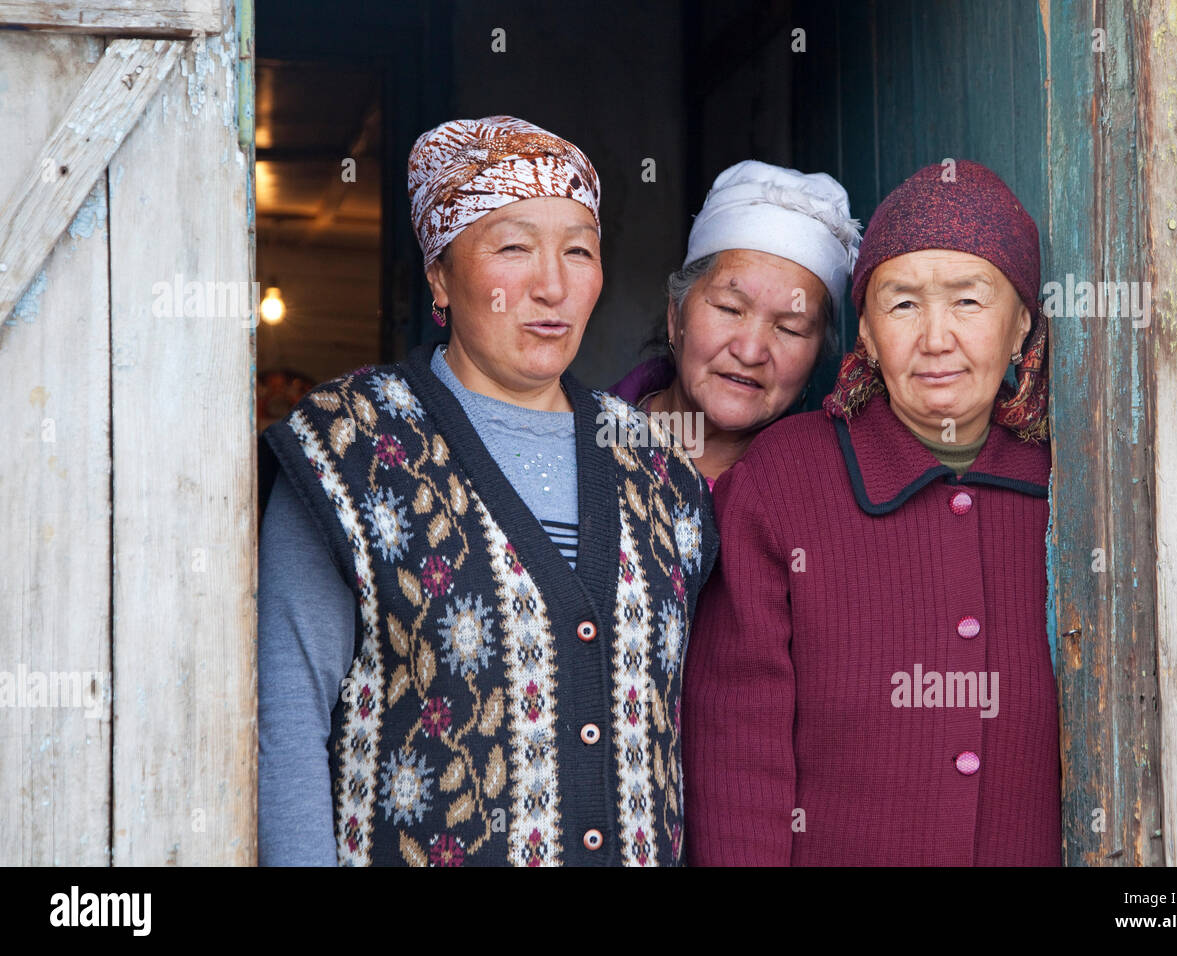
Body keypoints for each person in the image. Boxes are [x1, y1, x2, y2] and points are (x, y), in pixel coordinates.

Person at [257, 115, 718, 867]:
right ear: (440, 274)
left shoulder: (659, 472)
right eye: (512, 247)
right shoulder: (353, 450)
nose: (552, 285)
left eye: (579, 250)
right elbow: (286, 721)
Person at [682, 159, 1057, 865]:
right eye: (903, 303)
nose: (936, 338)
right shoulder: (783, 482)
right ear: (865, 333)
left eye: (969, 303)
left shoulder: (1074, 482)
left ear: (1021, 328)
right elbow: (736, 756)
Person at [611, 160, 860, 487]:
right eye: (730, 309)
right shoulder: (579, 438)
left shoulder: (818, 498)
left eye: (789, 328)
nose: (750, 351)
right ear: (675, 315)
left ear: (817, 358)